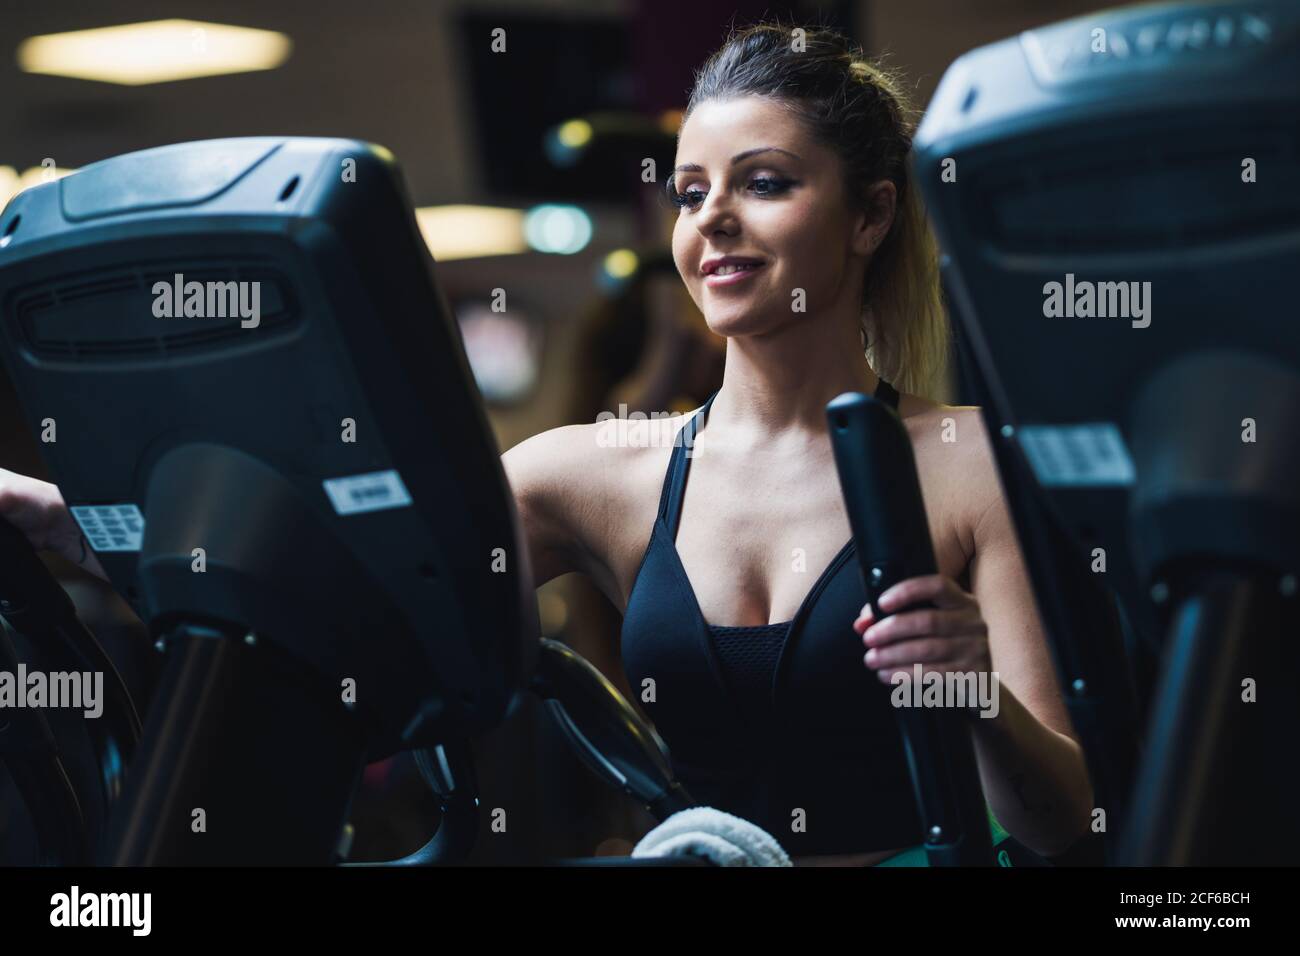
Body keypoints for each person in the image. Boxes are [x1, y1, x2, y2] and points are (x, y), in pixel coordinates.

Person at [0, 20, 1093, 867]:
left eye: (764, 183)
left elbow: (1066, 821)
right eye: (691, 192)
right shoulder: (597, 472)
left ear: (869, 216)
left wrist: (971, 691)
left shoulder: (966, 464)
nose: (710, 219)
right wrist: (80, 521)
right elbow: (315, 583)